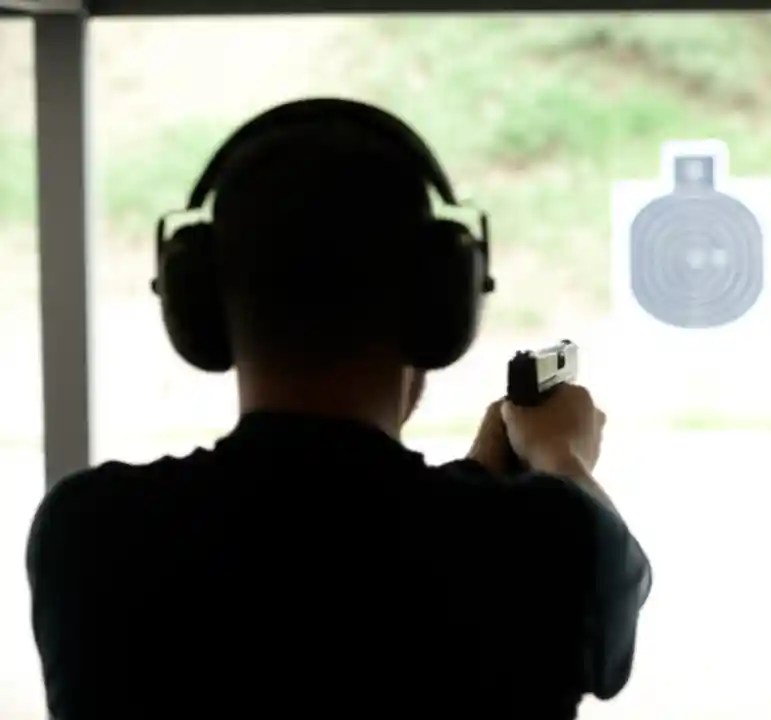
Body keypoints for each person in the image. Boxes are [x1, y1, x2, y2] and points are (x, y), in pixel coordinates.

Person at [25, 98, 652, 720]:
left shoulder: (88, 534)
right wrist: (558, 454)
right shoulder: (543, 547)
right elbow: (593, 577)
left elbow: (316, 551)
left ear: (201, 307)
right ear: (439, 304)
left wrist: (482, 483)